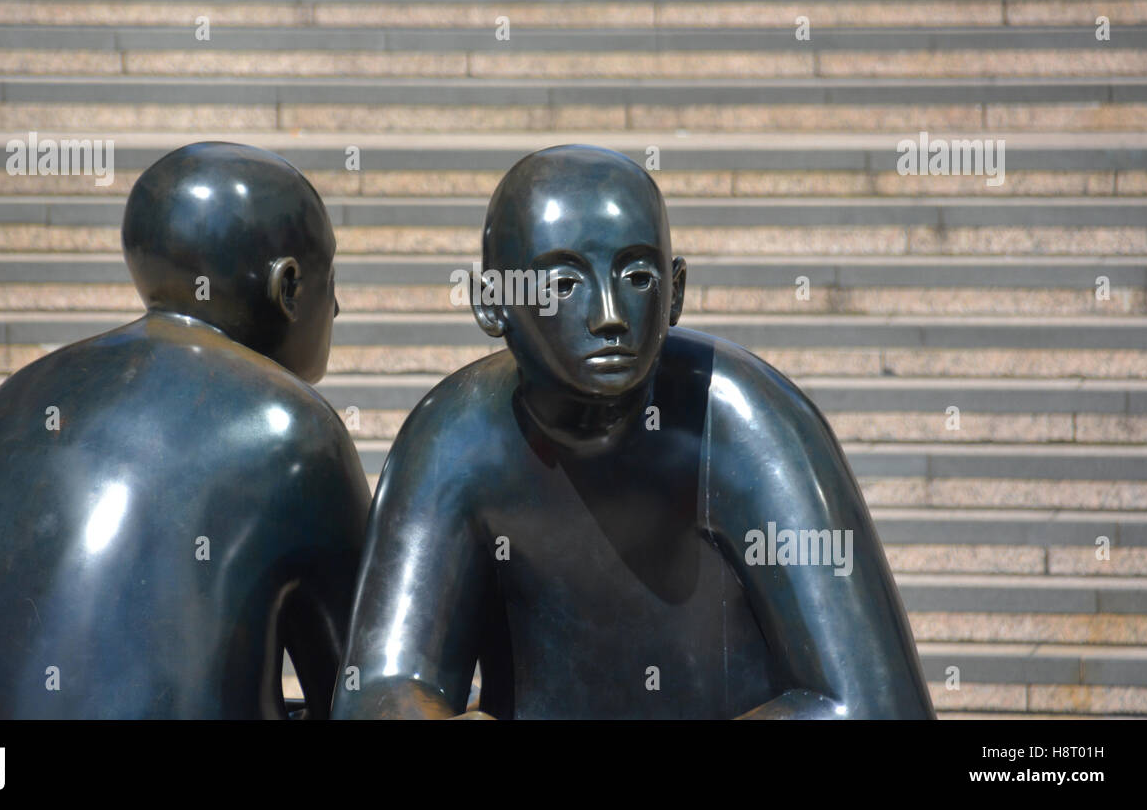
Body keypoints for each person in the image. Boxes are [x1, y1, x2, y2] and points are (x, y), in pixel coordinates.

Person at [332, 144, 933, 720]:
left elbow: (875, 704)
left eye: (637, 277)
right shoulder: (452, 438)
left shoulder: (749, 426)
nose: (610, 315)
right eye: (563, 284)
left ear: (677, 291)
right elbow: (382, 689)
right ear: (492, 303)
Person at [0, 142, 368, 719]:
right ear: (287, 288)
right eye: (330, 279)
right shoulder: (293, 430)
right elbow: (360, 691)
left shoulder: (15, 399)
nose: (337, 308)